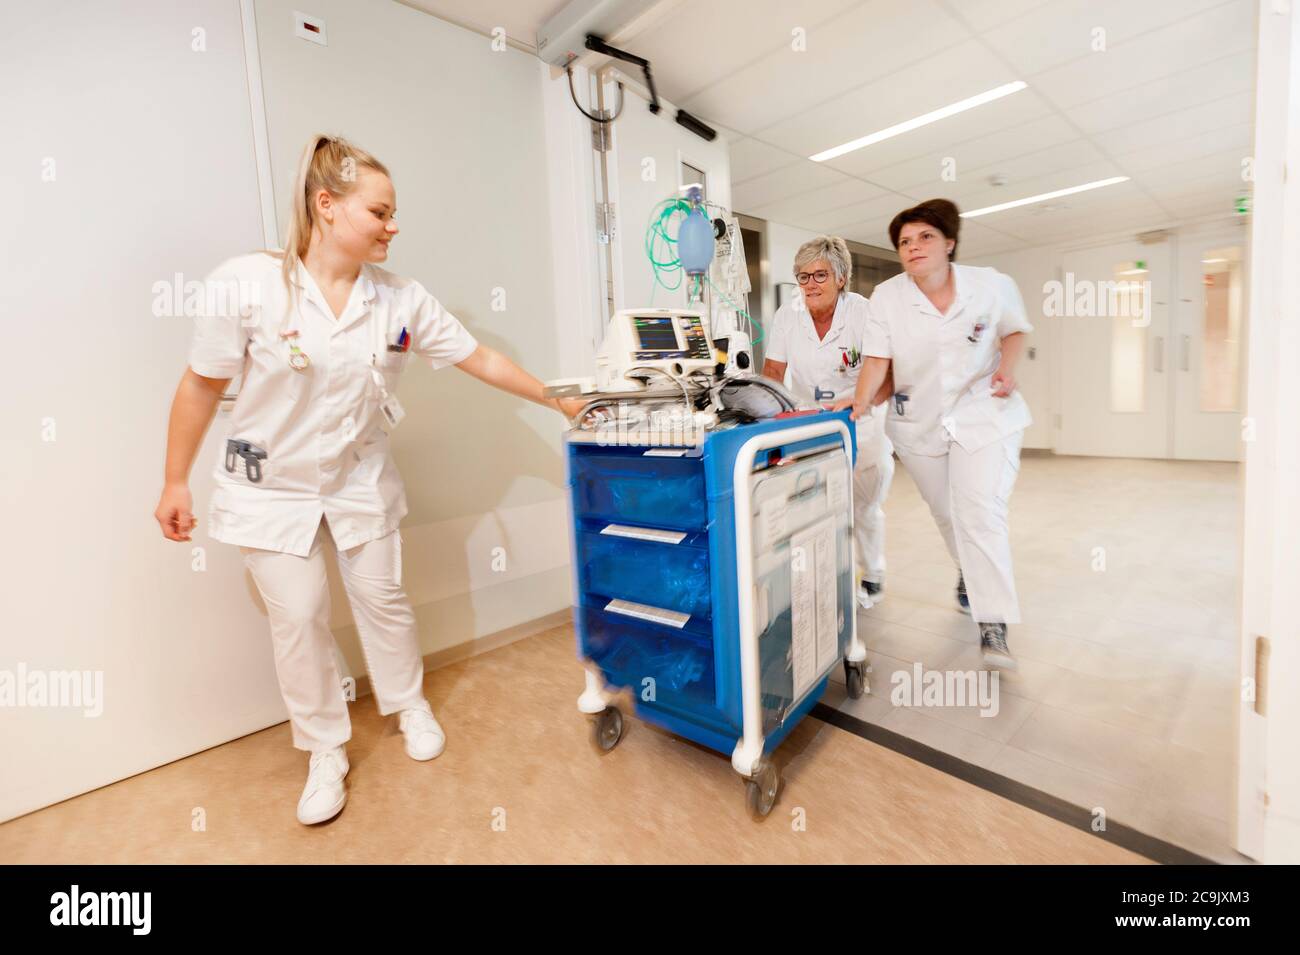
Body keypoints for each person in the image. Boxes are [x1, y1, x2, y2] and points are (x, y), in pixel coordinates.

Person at [153, 134, 585, 824]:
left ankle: (407, 703)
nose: (394, 224)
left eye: (393, 212)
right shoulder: (246, 284)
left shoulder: (399, 299)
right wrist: (175, 480)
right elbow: (200, 386)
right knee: (298, 618)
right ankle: (325, 747)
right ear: (326, 206)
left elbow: (479, 358)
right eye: (380, 211)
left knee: (383, 599)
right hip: (268, 487)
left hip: (357, 477)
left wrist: (553, 397)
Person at [836, 199, 1032, 670]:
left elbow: (1015, 331)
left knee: (979, 511)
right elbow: (878, 360)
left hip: (985, 415)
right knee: (948, 515)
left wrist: (1006, 370)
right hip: (918, 423)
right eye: (904, 241)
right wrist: (859, 402)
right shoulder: (887, 297)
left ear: (949, 243)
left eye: (924, 237)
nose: (913, 247)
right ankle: (970, 571)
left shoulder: (991, 285)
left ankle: (994, 623)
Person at [762, 235, 893, 608]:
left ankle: (873, 574)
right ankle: (823, 577)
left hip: (862, 419)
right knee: (814, 503)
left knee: (863, 503)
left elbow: (882, 367)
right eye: (803, 277)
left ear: (841, 278)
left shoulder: (864, 313)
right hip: (812, 423)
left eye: (820, 275)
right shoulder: (788, 315)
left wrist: (862, 400)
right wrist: (766, 415)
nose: (810, 285)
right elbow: (773, 370)